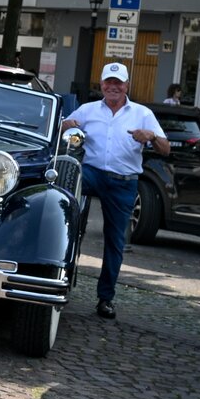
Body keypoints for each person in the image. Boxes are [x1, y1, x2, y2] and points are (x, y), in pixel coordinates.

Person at [60, 61, 168, 320]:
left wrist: (151, 137)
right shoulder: (88, 109)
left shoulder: (141, 113)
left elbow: (166, 149)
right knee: (64, 215)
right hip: (92, 174)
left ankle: (105, 298)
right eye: (109, 82)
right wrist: (69, 124)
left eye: (118, 83)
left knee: (115, 241)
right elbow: (63, 127)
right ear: (101, 85)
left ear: (127, 86)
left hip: (123, 180)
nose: (113, 87)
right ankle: (59, 276)